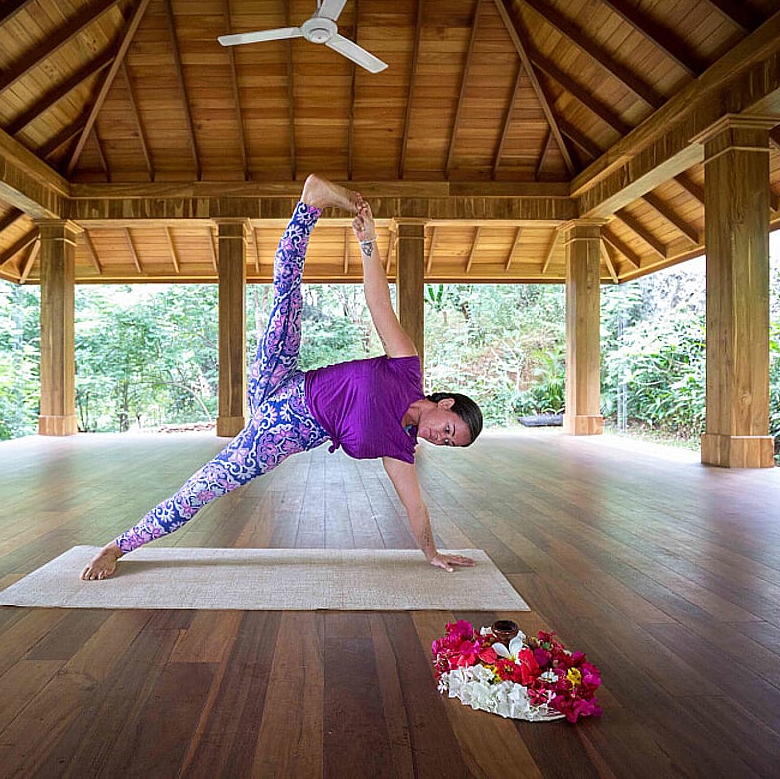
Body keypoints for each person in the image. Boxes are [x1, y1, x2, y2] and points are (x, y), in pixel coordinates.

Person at [81, 175, 483, 580]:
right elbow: (378, 300)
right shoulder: (405, 367)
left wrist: (431, 553)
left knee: (204, 486)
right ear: (446, 404)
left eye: (450, 443)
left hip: (278, 433)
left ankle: (117, 545)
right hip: (284, 379)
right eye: (449, 429)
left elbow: (416, 507)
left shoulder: (399, 448)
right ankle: (311, 202)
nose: (441, 438)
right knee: (287, 293)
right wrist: (368, 242)